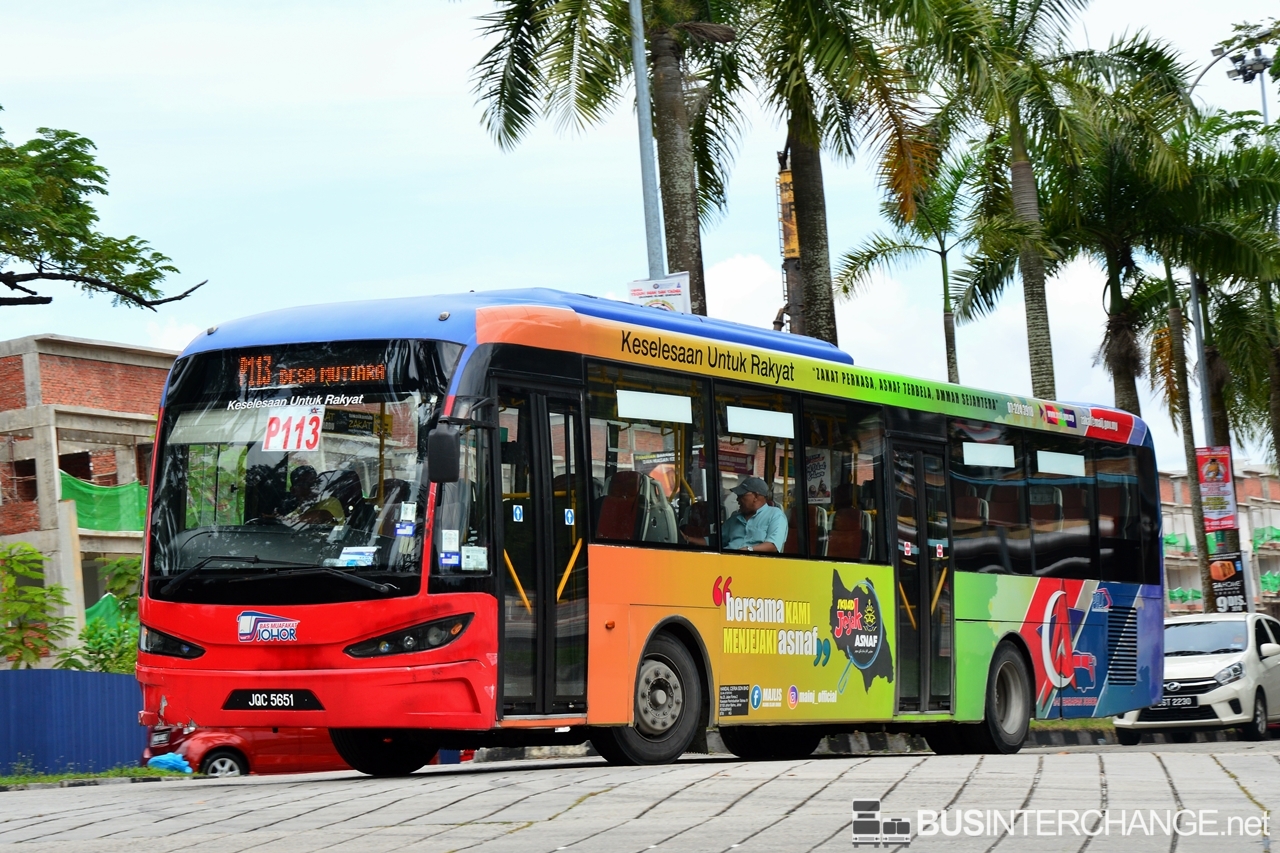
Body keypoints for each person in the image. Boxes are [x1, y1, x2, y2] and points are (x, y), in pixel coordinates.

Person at [682, 476, 788, 553]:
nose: (737, 499)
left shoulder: (775, 515)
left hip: (755, 565)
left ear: (756, 496)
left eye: (741, 495)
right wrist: (687, 539)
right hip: (726, 561)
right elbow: (714, 542)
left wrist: (747, 550)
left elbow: (772, 546)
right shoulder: (735, 519)